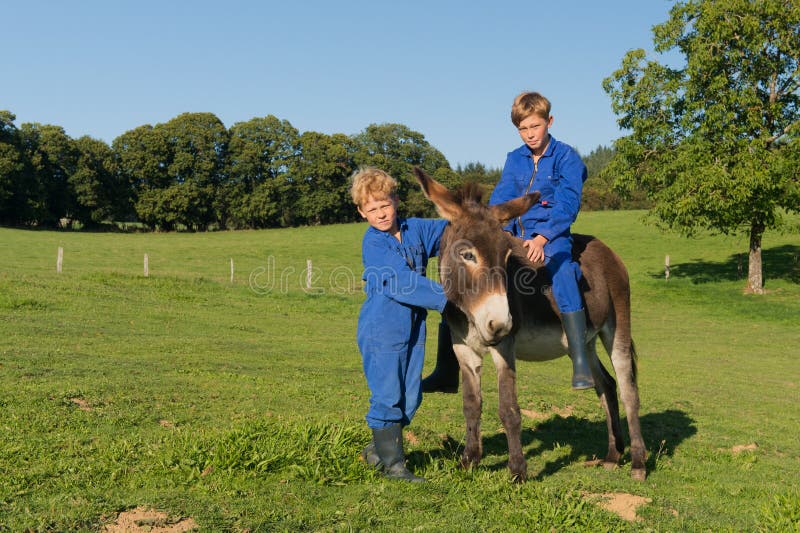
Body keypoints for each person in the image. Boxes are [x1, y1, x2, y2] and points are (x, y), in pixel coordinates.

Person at [422, 91, 595, 392]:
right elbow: (503, 197)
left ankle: (580, 359)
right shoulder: (515, 159)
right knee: (465, 277)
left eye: (535, 126)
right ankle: (446, 367)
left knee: (564, 271)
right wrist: (494, 230)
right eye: (523, 129)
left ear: (550, 122)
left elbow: (568, 204)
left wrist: (543, 237)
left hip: (550, 235)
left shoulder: (567, 158)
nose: (530, 134)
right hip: (512, 231)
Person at [351, 166, 449, 482]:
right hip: (382, 328)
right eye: (372, 209)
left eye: (385, 205)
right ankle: (394, 466)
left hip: (414, 327)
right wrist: (450, 299)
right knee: (387, 394)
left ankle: (377, 450)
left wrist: (484, 222)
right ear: (361, 212)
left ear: (396, 200)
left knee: (411, 396)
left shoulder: (414, 228)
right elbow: (400, 282)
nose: (380, 214)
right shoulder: (374, 243)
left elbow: (451, 229)